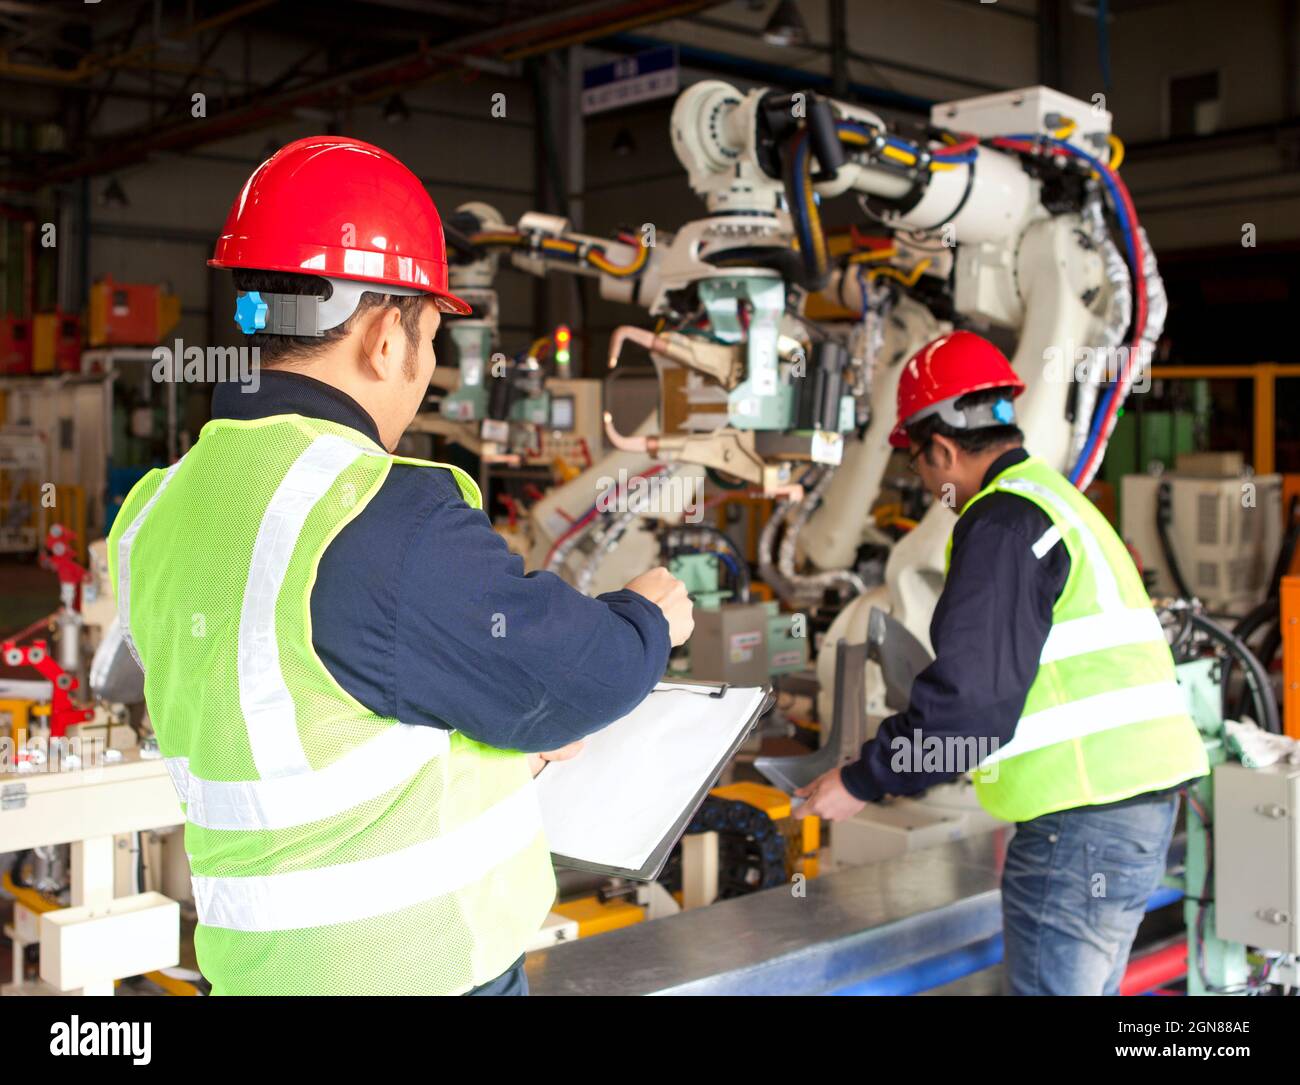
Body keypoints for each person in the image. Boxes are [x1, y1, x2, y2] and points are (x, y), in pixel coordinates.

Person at [107, 136, 693, 996]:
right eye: (430, 334)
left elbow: (319, 718)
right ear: (389, 339)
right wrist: (645, 617)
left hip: (254, 973)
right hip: (417, 969)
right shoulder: (374, 508)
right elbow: (579, 671)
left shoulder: (156, 509)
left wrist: (506, 755)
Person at [795, 331, 1208, 994]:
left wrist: (864, 778)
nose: (930, 487)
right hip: (1134, 814)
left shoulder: (998, 522)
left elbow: (970, 709)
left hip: (1079, 830)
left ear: (943, 450)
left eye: (921, 468)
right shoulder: (1061, 504)